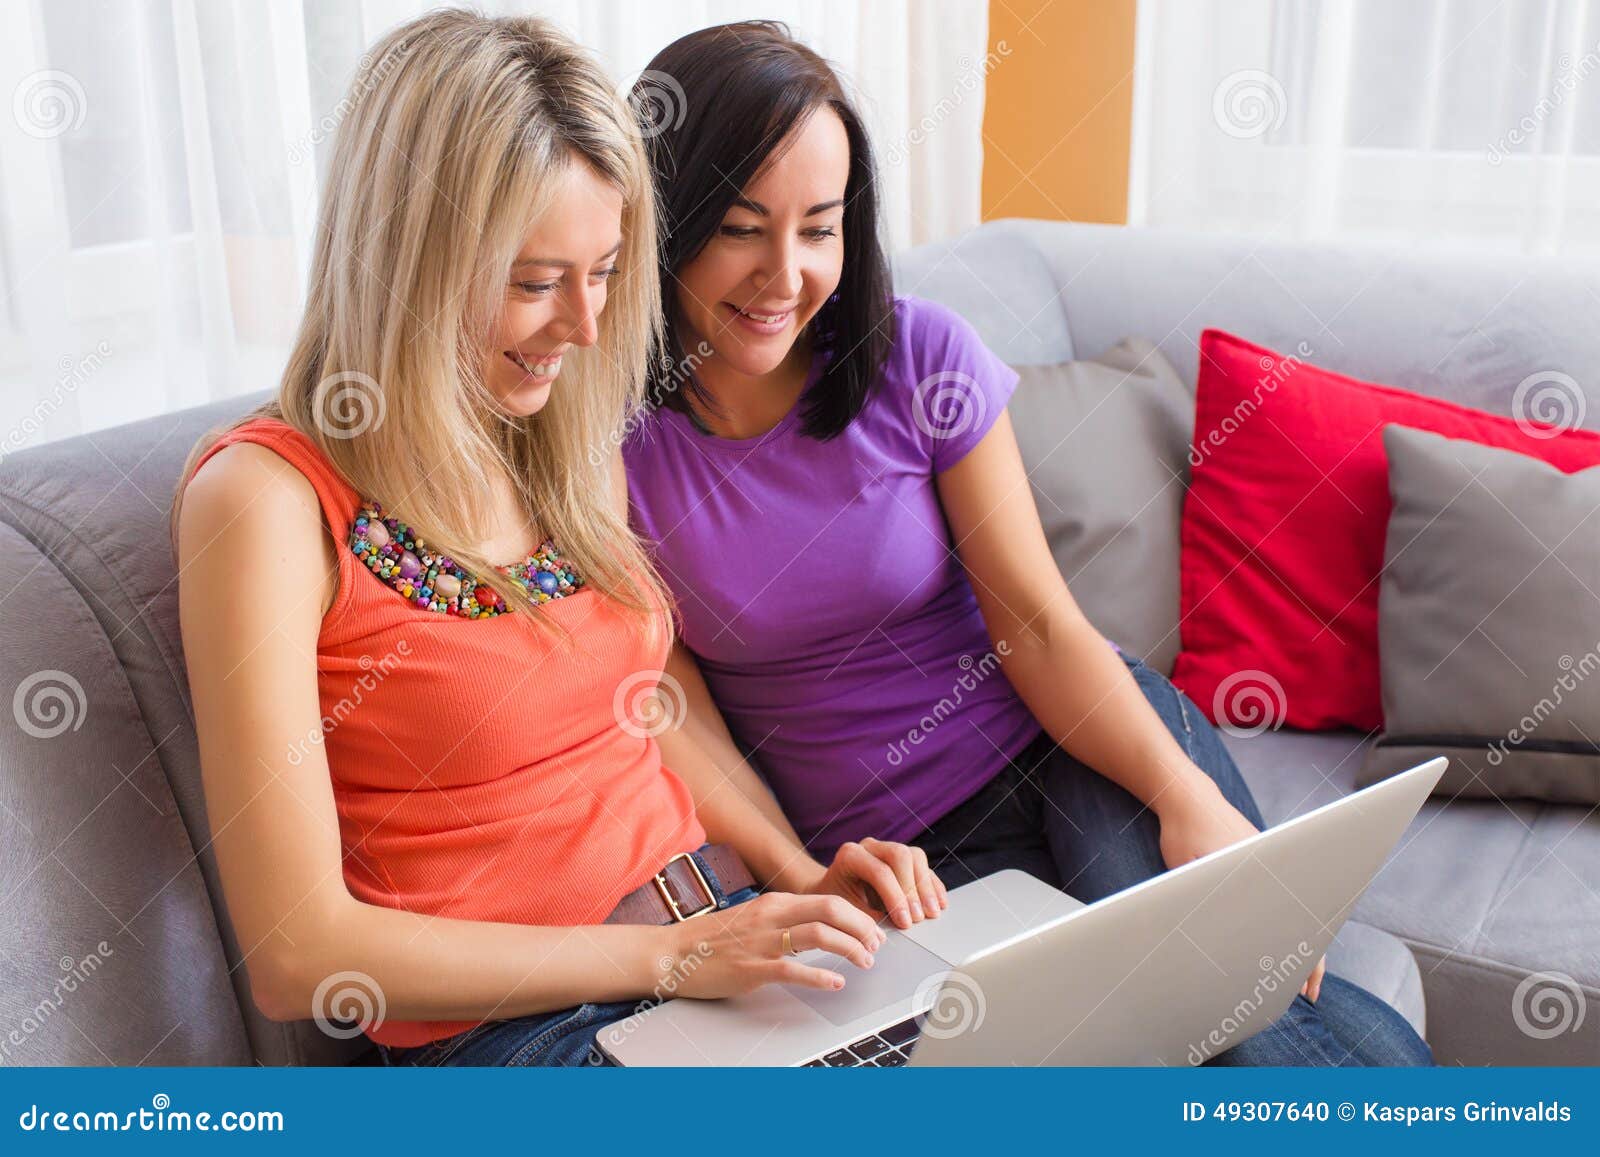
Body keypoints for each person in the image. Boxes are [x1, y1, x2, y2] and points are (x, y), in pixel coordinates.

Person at [620, 21, 1432, 1066]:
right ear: (663, 219)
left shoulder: (919, 356)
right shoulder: (613, 450)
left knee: (1234, 1018)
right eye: (741, 227)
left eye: (819, 228)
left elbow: (1040, 627)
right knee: (1149, 1054)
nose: (785, 273)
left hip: (1072, 748)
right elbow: (664, 700)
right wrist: (791, 869)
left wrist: (1190, 802)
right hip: (896, 861)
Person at [173, 9, 942, 1069]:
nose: (584, 329)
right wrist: (666, 958)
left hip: (713, 934)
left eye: (606, 272)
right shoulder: (265, 501)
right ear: (408, 261)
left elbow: (646, 710)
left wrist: (801, 879)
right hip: (526, 1037)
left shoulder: (551, 432)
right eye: (535, 282)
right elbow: (298, 951)